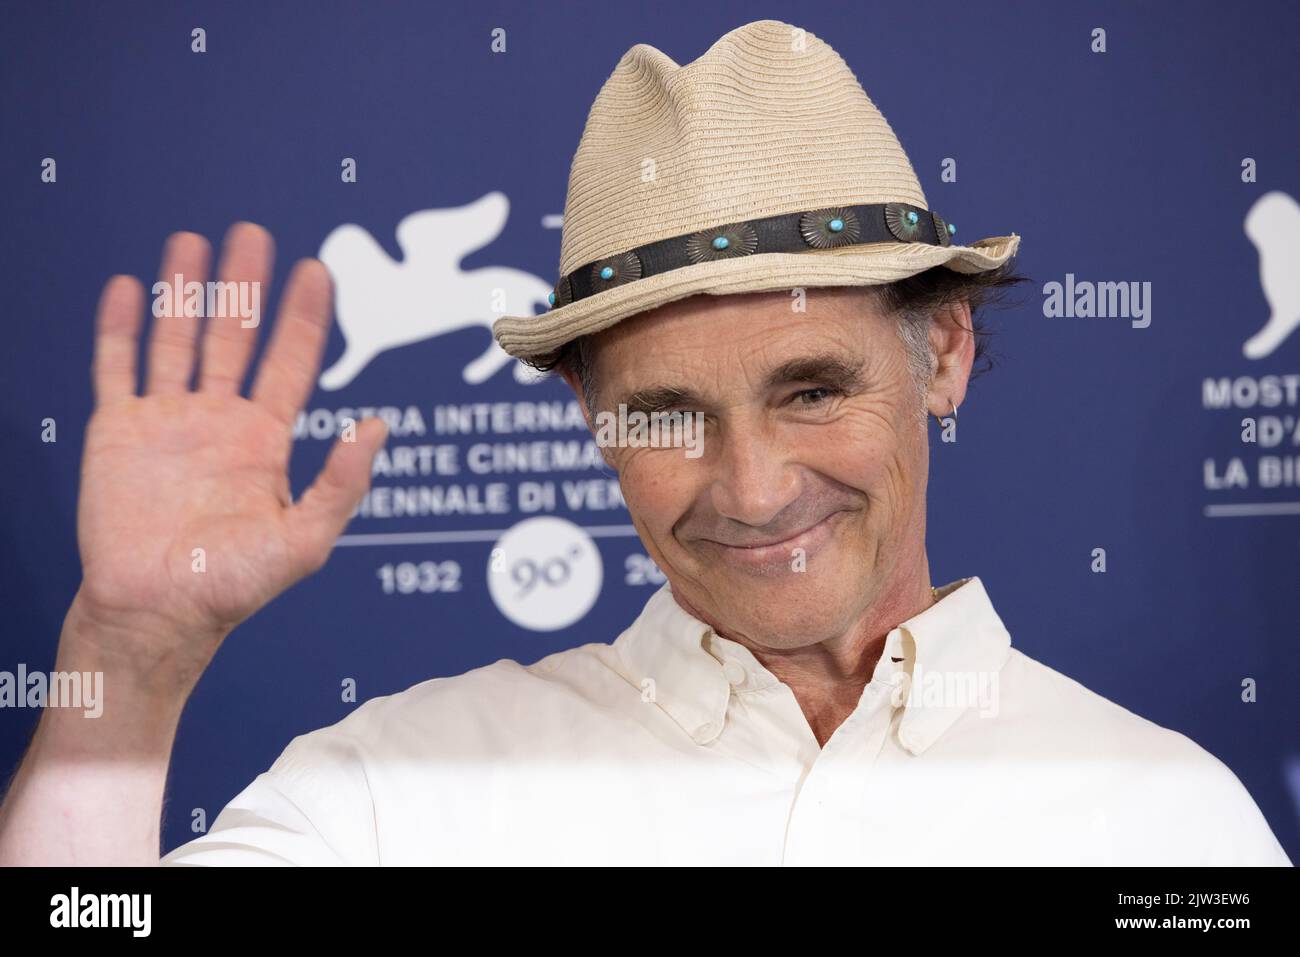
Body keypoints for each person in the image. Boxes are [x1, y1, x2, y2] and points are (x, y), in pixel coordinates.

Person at [0, 19, 1289, 866]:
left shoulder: (1171, 824)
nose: (754, 486)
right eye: (670, 416)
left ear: (941, 352)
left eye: (810, 391)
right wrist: (128, 662)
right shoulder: (394, 795)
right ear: (591, 419)